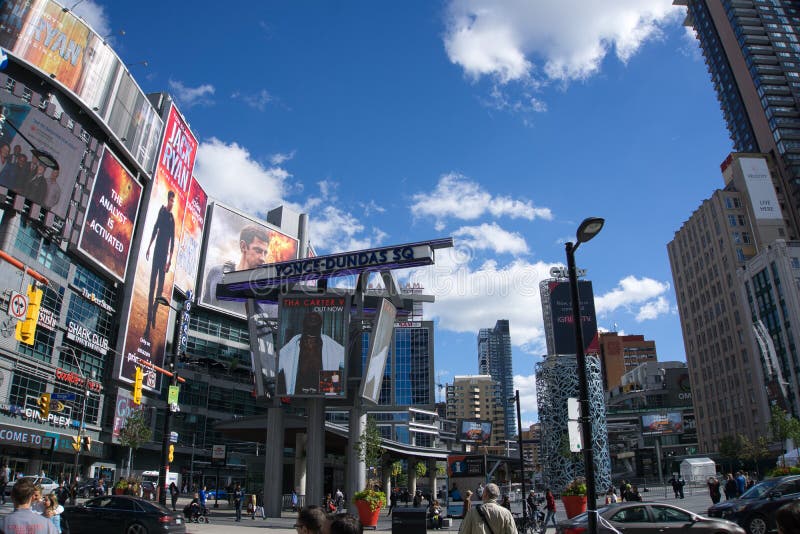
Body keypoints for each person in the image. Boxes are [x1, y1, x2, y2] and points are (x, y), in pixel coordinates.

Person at [203, 224, 272, 311]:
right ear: (243, 246)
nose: (263, 258)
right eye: (258, 250)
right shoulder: (216, 273)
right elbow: (203, 310)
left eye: (265, 253)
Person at [277, 312, 345, 395]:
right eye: (310, 318)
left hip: (324, 394)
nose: (313, 318)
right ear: (304, 323)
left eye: (315, 318)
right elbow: (277, 364)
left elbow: (346, 361)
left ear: (320, 324)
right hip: (298, 393)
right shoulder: (294, 343)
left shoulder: (329, 344)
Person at [144, 189, 176, 337]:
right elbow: (155, 228)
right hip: (156, 252)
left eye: (174, 201)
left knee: (160, 288)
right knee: (152, 284)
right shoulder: (162, 211)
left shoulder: (172, 219)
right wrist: (149, 247)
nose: (172, 202)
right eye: (171, 200)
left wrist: (169, 261)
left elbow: (172, 243)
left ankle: (155, 312)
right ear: (168, 199)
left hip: (164, 257)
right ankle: (149, 317)